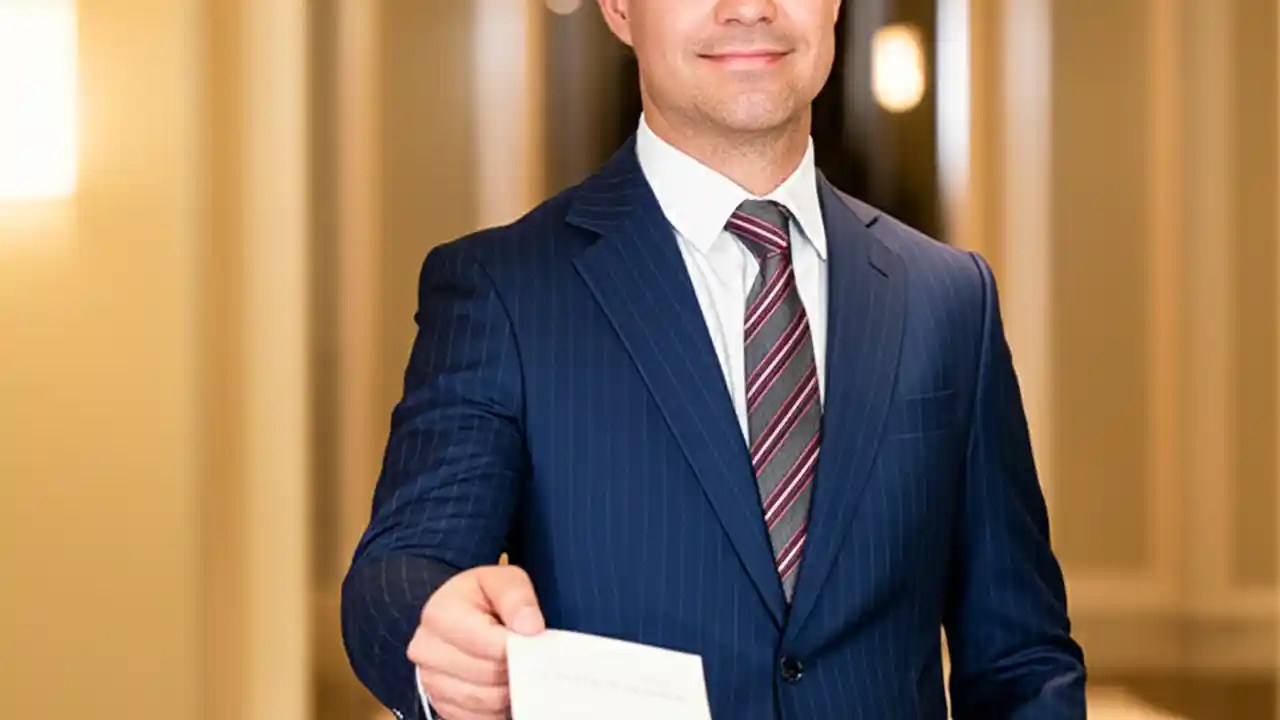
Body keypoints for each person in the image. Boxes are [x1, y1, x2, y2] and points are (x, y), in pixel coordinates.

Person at [341, 1, 1086, 718]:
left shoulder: (950, 299)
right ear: (619, 8)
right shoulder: (505, 290)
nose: (748, 7)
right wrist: (437, 637)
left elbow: (1020, 661)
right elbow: (398, 570)